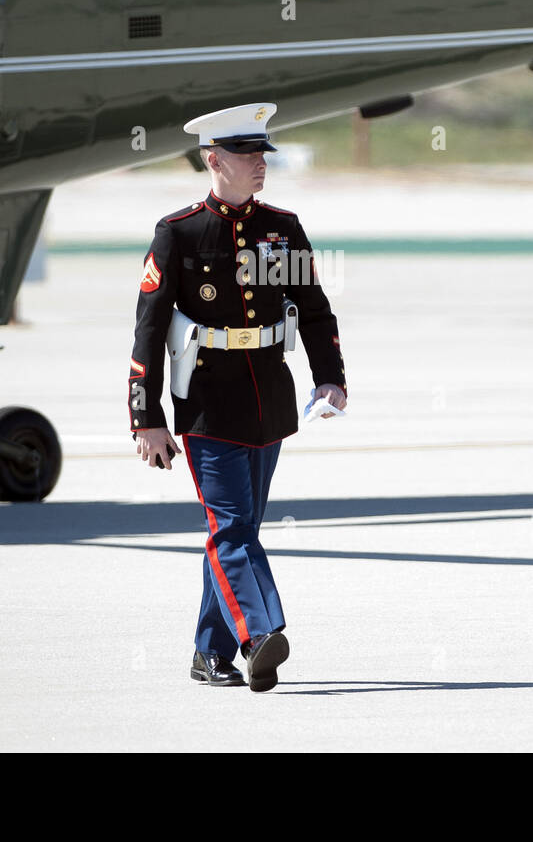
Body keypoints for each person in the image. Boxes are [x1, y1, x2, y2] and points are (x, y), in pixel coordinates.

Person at [128, 102, 347, 693]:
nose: (260, 166)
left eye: (262, 155)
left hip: (268, 399)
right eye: (247, 156)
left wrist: (330, 377)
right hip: (206, 402)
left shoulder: (284, 227)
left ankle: (208, 654)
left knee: (237, 529)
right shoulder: (178, 233)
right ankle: (260, 633)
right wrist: (145, 419)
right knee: (231, 528)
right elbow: (148, 330)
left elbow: (317, 310)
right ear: (213, 159)